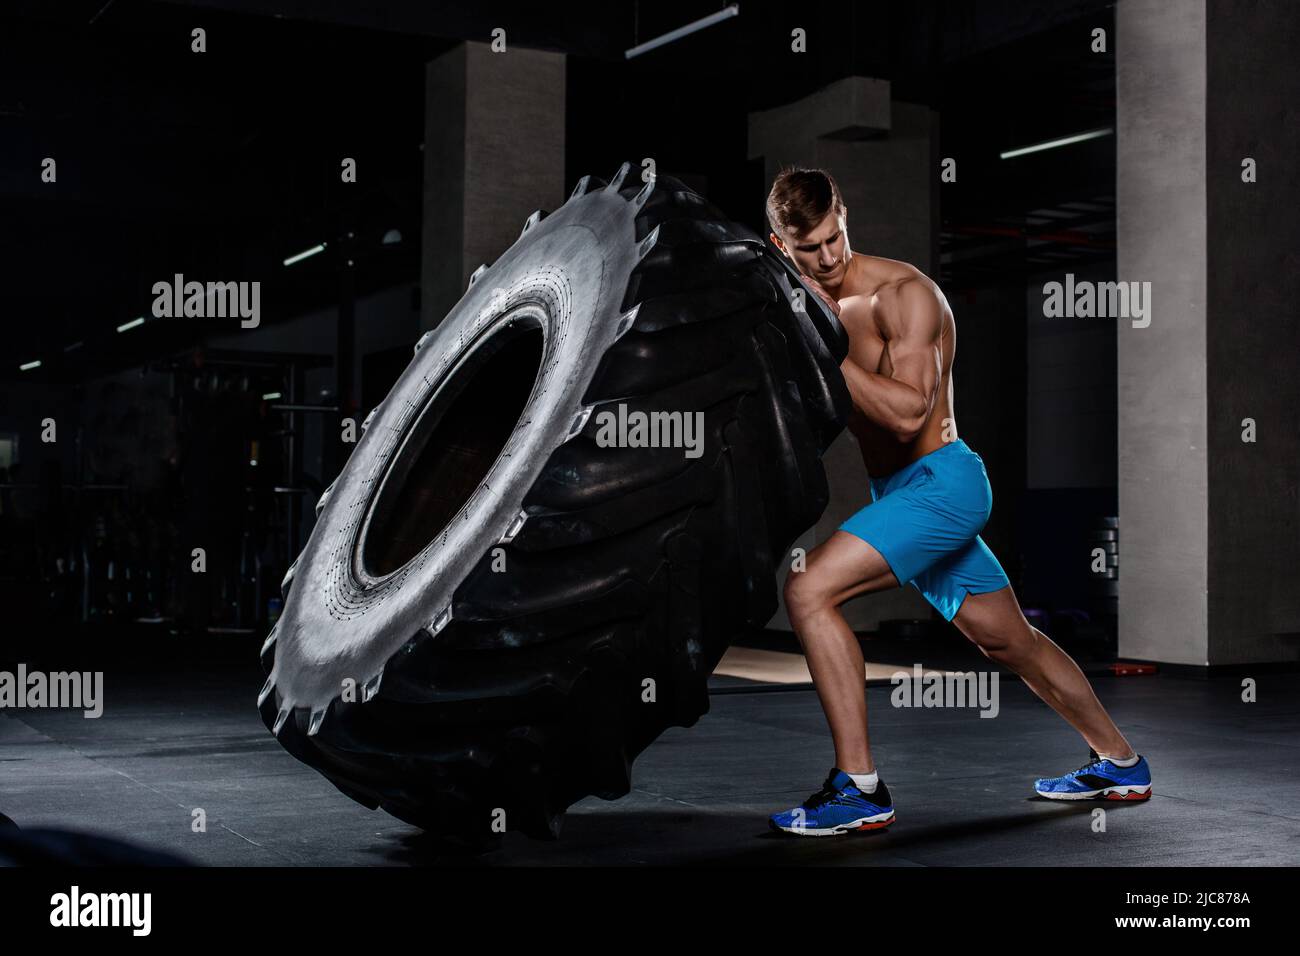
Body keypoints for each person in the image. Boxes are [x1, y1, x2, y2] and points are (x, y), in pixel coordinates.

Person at [763, 167, 1151, 836]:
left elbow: (909, 415)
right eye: (810, 250)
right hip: (905, 492)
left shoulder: (904, 295)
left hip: (945, 483)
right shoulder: (804, 305)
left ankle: (859, 787)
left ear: (845, 216)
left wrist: (820, 342)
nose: (827, 258)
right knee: (1011, 642)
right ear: (780, 247)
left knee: (807, 592)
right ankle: (1121, 761)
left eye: (835, 239)